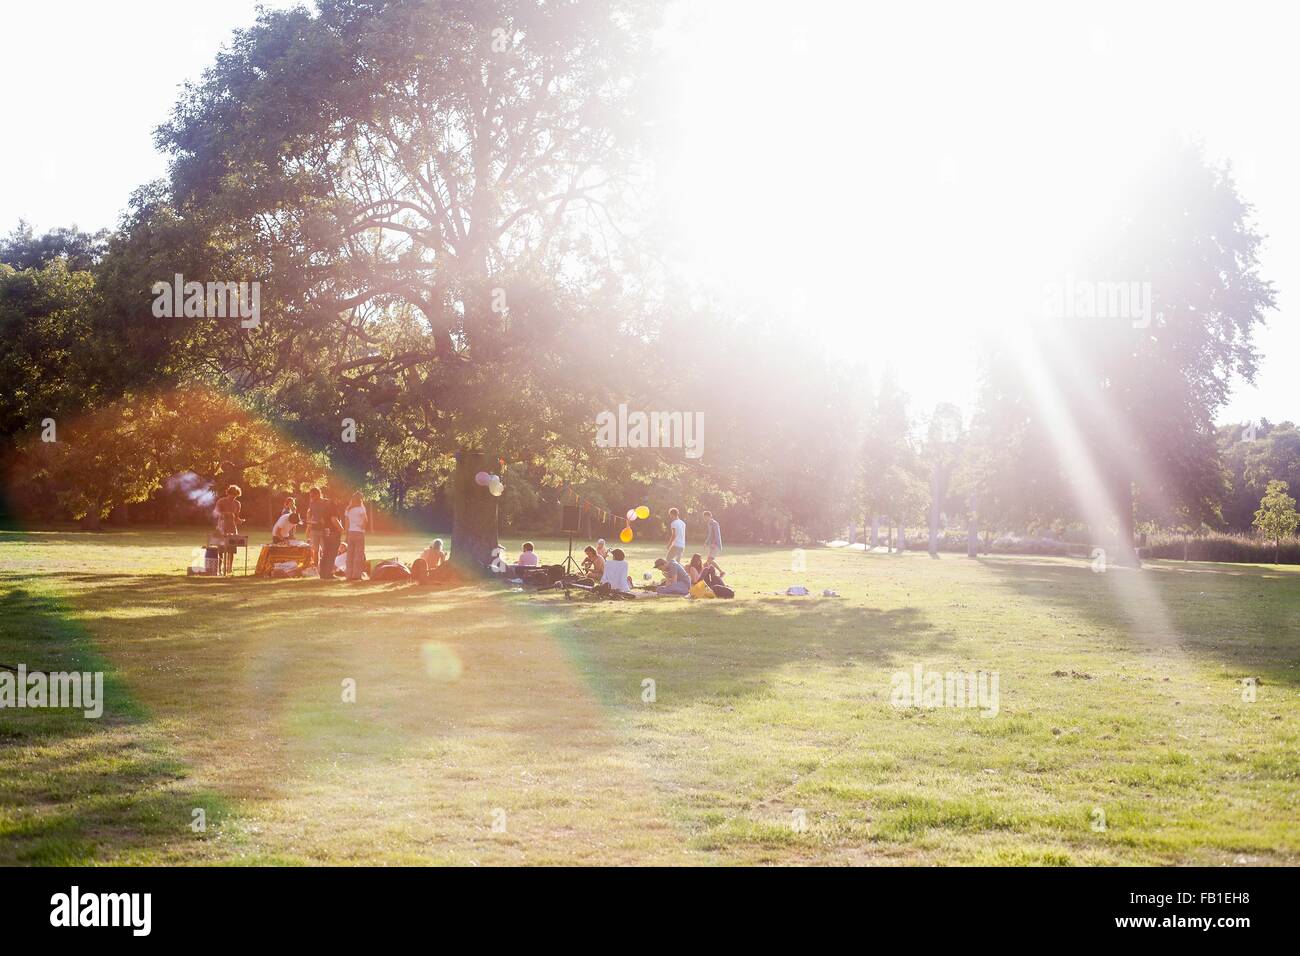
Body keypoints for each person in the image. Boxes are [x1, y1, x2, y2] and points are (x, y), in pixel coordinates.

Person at [213, 485, 244, 575]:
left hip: (232, 528)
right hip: (222, 526)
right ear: (228, 493)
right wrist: (227, 513)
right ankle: (219, 568)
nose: (233, 497)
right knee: (221, 548)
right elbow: (216, 512)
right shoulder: (221, 501)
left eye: (235, 496)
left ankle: (229, 568)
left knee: (232, 548)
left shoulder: (238, 504)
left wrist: (239, 520)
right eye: (232, 495)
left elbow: (236, 517)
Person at [317, 490, 342, 581]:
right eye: (338, 500)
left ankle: (323, 573)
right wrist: (341, 529)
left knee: (326, 553)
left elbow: (322, 520)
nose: (339, 502)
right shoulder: (333, 507)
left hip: (326, 531)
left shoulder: (324, 506)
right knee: (332, 553)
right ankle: (329, 573)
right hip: (333, 532)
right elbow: (334, 519)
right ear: (335, 498)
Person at [344, 492, 368, 581]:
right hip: (359, 533)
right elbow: (365, 520)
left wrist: (346, 533)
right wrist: (362, 527)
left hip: (350, 532)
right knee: (358, 554)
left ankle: (348, 574)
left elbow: (346, 522)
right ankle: (356, 575)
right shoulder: (361, 508)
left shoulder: (348, 509)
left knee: (350, 554)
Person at [305, 487, 327, 569]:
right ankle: (316, 566)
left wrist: (323, 519)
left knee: (325, 549)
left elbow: (327, 513)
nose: (312, 497)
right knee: (315, 549)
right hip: (314, 529)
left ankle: (325, 565)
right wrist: (309, 523)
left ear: (318, 494)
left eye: (313, 496)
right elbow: (310, 514)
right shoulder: (312, 503)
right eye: (311, 496)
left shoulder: (325, 502)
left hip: (323, 529)